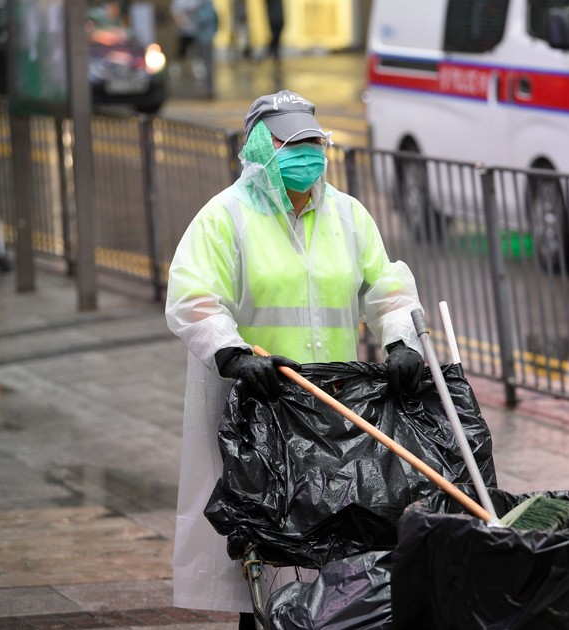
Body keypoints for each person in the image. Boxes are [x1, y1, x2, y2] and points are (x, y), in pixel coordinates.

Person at [164, 90, 427, 629]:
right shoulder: (225, 218)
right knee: (266, 570)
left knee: (330, 573)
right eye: (292, 142)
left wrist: (400, 339)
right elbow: (194, 298)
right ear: (259, 146)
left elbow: (387, 288)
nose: (306, 153)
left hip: (331, 417)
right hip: (259, 416)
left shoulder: (348, 216)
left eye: (312, 141)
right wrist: (234, 356)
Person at [170, 0, 219, 95]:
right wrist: (183, 24)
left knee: (203, 60)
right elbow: (176, 13)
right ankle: (205, 86)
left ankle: (207, 87)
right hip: (187, 33)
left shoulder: (203, 3)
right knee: (183, 52)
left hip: (201, 34)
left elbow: (208, 15)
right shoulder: (180, 2)